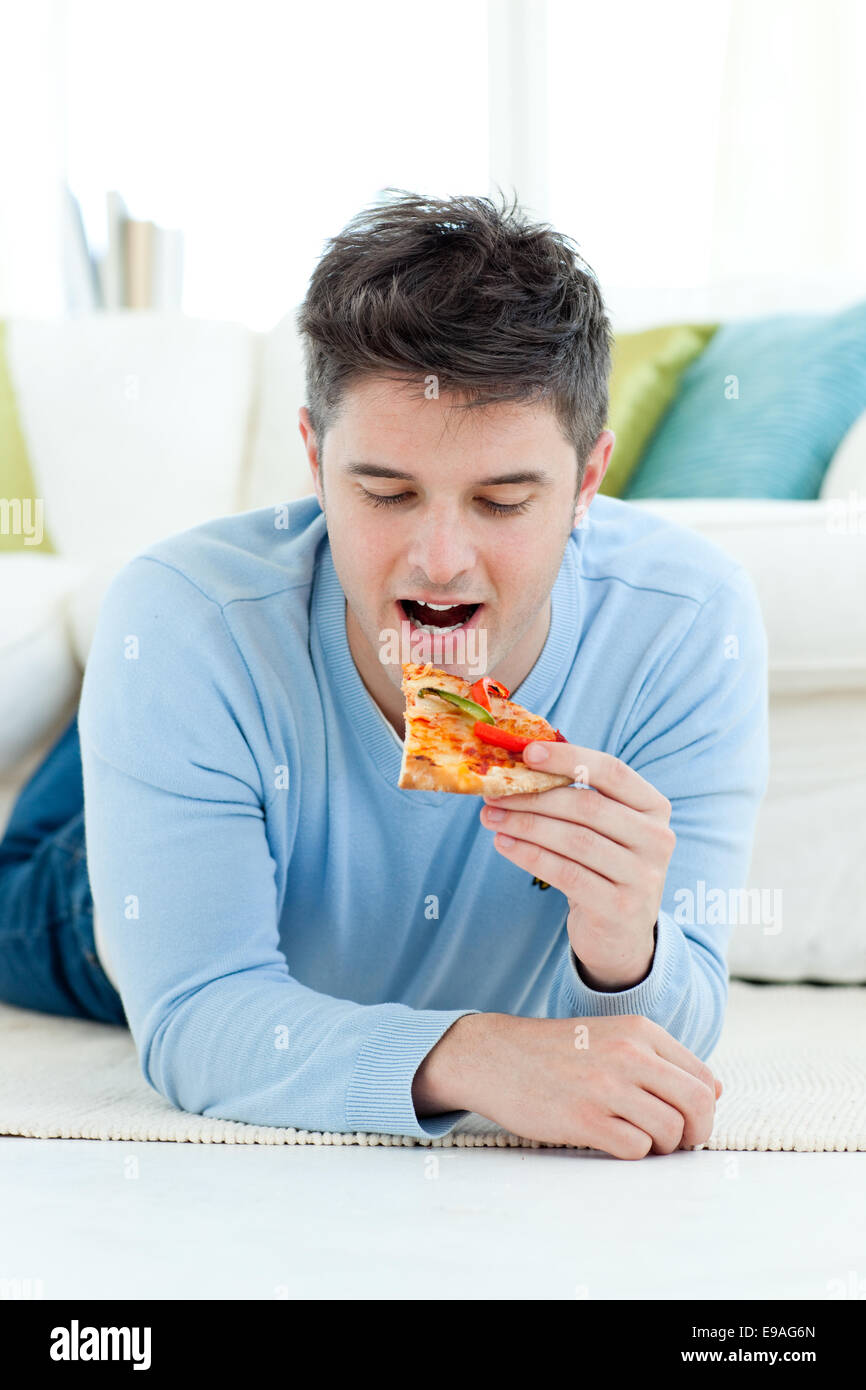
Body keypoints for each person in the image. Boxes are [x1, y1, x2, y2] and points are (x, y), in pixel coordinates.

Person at [0, 190, 764, 1158]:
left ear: (586, 482)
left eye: (501, 500)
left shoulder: (690, 625)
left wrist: (625, 946)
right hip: (111, 842)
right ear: (314, 461)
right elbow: (195, 1010)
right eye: (386, 491)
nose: (439, 559)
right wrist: (475, 1053)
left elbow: (664, 1041)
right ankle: (114, 729)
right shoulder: (179, 617)